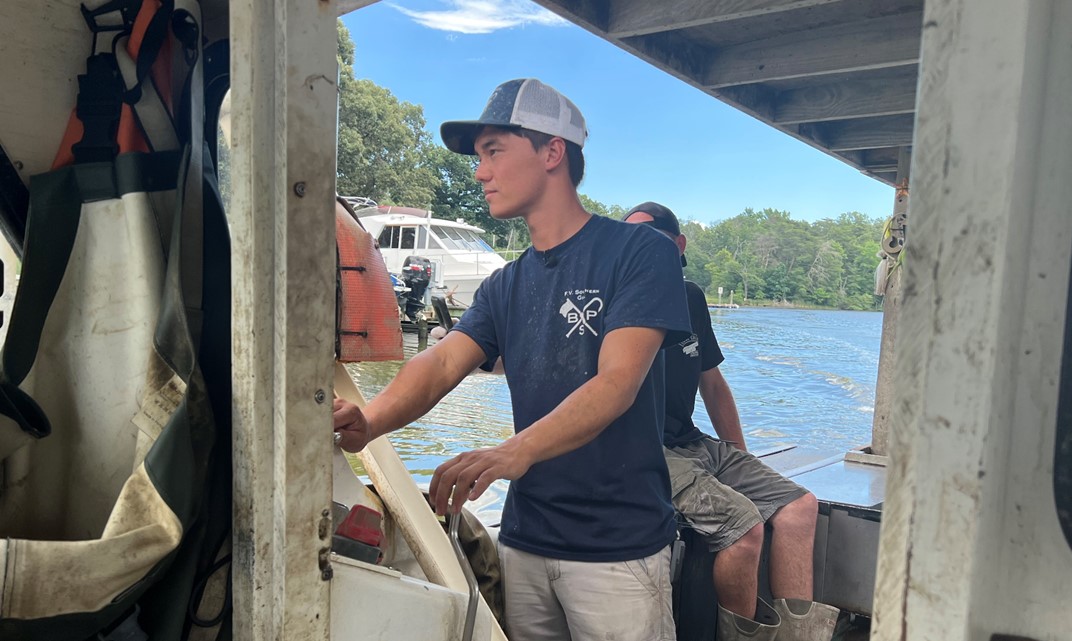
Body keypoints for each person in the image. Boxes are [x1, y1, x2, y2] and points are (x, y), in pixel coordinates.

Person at [333, 79, 691, 641]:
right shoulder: (506, 284)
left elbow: (618, 382)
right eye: (479, 157)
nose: (480, 172)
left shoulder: (637, 252)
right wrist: (369, 421)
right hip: (525, 543)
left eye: (494, 151)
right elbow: (441, 364)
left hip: (617, 549)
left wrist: (510, 452)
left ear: (553, 152)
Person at [623, 202, 839, 641]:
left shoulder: (690, 298)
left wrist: (739, 454)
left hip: (695, 443)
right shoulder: (619, 302)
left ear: (678, 245)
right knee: (744, 527)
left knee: (800, 507)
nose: (637, 247)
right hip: (649, 451)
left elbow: (713, 384)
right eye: (627, 239)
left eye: (649, 236)